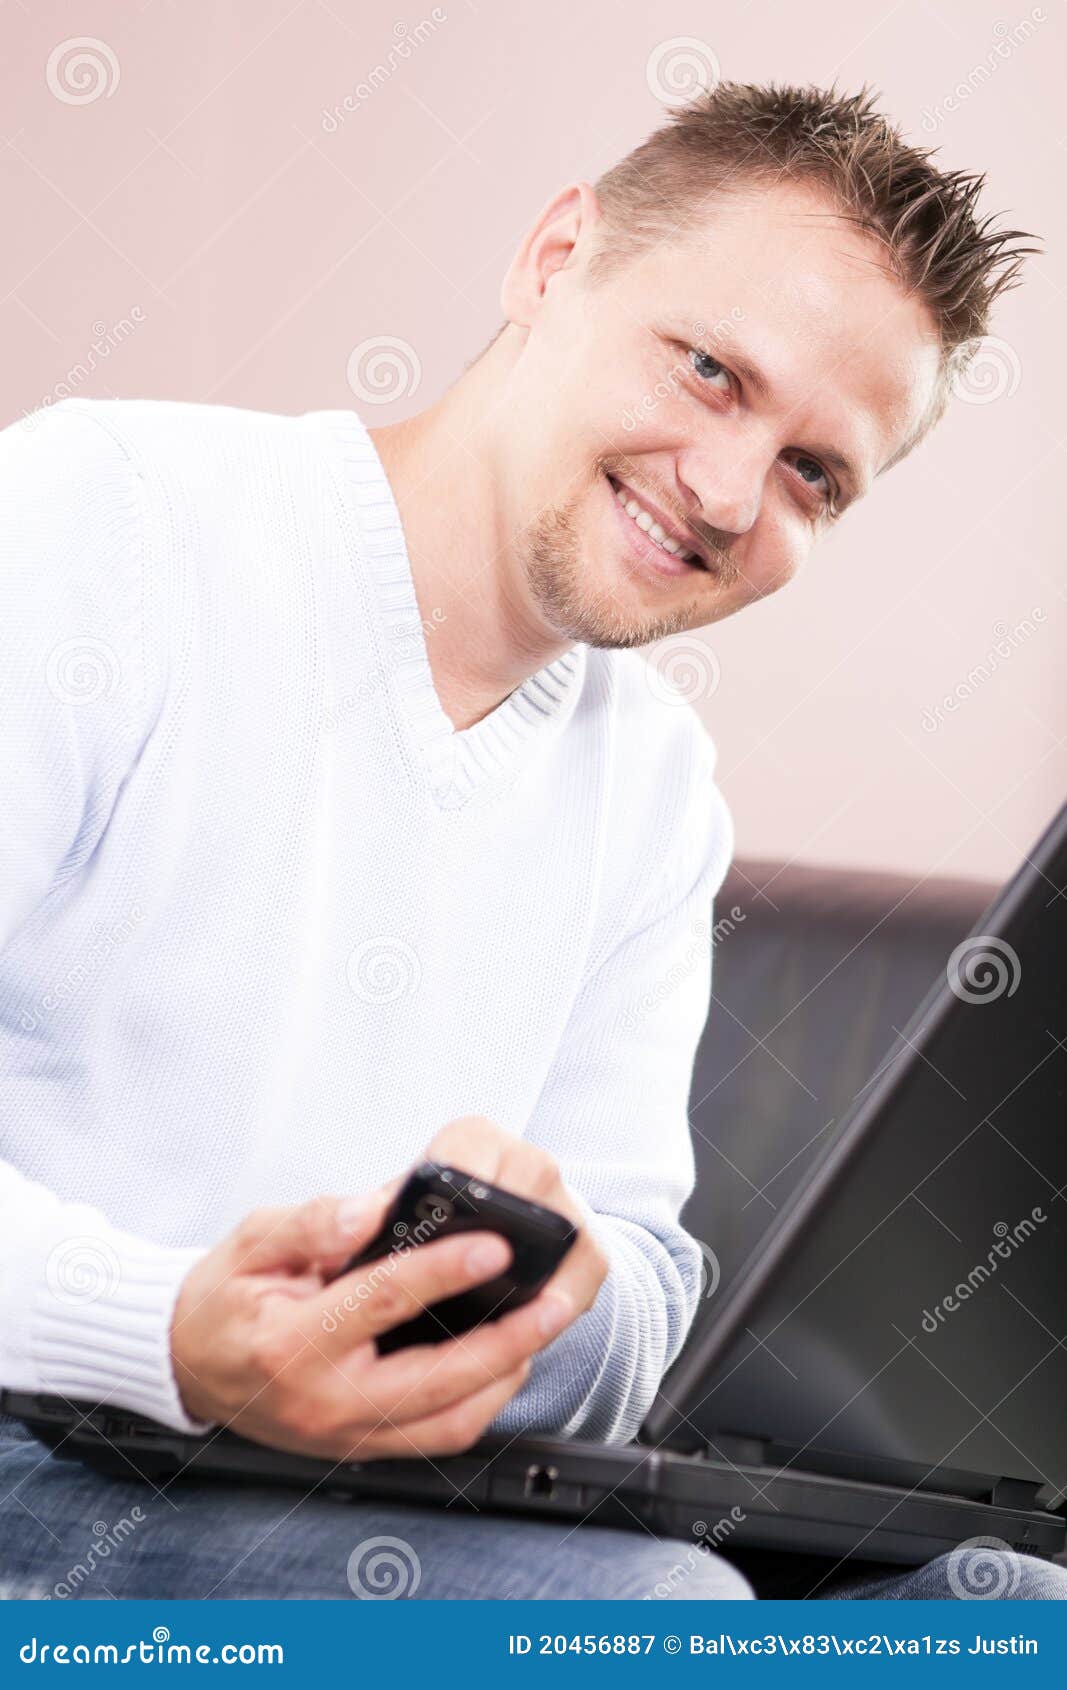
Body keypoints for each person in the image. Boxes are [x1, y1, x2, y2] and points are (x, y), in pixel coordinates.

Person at [1, 81, 1060, 1601]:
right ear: (556, 259)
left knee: (1017, 1613)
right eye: (709, 371)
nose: (723, 490)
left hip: (359, 1486)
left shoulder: (655, 785)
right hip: (45, 1451)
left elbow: (633, 1289)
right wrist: (168, 1327)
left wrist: (552, 1290)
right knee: (654, 1614)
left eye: (814, 475)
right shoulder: (107, 518)